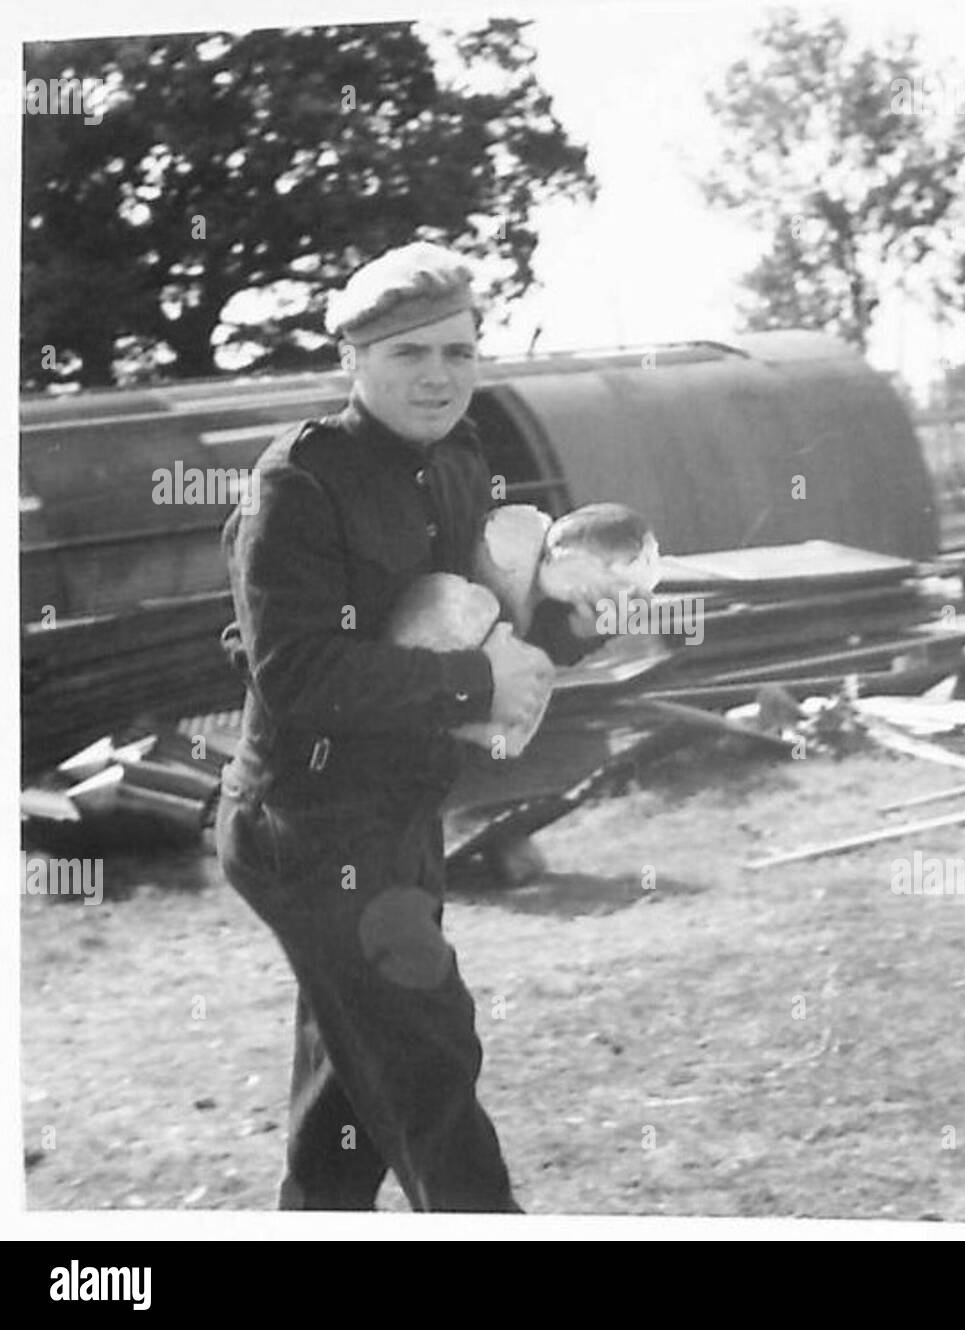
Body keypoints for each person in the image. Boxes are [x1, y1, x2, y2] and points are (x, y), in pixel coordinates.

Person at [214, 241, 589, 1212]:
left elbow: (489, 618)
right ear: (354, 359)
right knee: (427, 1059)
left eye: (458, 352)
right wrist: (475, 682)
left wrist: (575, 619)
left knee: (348, 1100)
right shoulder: (296, 484)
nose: (438, 375)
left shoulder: (461, 463)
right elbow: (296, 674)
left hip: (402, 814)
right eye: (409, 354)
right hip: (307, 825)